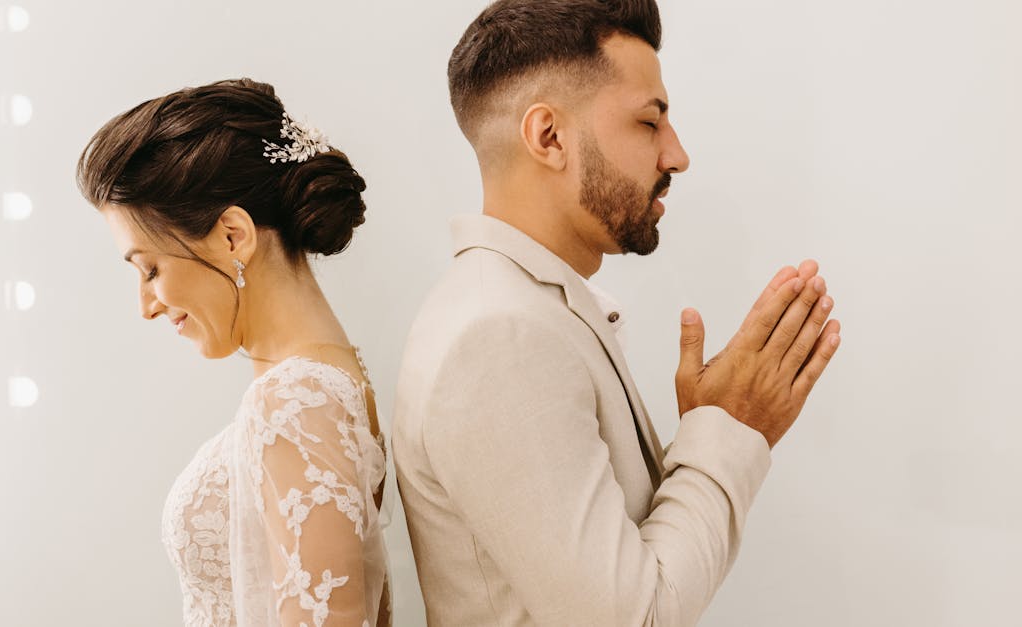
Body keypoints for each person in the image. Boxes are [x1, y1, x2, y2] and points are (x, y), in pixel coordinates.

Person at [391, 1, 843, 625]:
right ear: (549, 137)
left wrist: (708, 428)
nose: (677, 155)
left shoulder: (519, 307)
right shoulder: (498, 335)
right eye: (648, 122)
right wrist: (731, 430)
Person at [76, 79, 391, 627]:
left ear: (231, 235)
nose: (146, 306)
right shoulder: (330, 376)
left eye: (151, 268)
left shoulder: (296, 400)